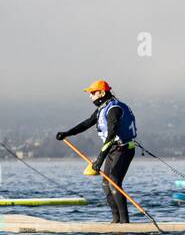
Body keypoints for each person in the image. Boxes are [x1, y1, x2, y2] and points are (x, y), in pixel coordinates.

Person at [56, 80, 137, 223]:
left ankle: (125, 223)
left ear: (102, 93)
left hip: (124, 149)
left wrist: (99, 160)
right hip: (112, 149)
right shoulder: (102, 108)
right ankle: (115, 221)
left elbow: (111, 136)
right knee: (106, 184)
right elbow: (87, 123)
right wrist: (67, 133)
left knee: (114, 183)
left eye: (92, 93)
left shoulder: (114, 109)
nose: (90, 96)